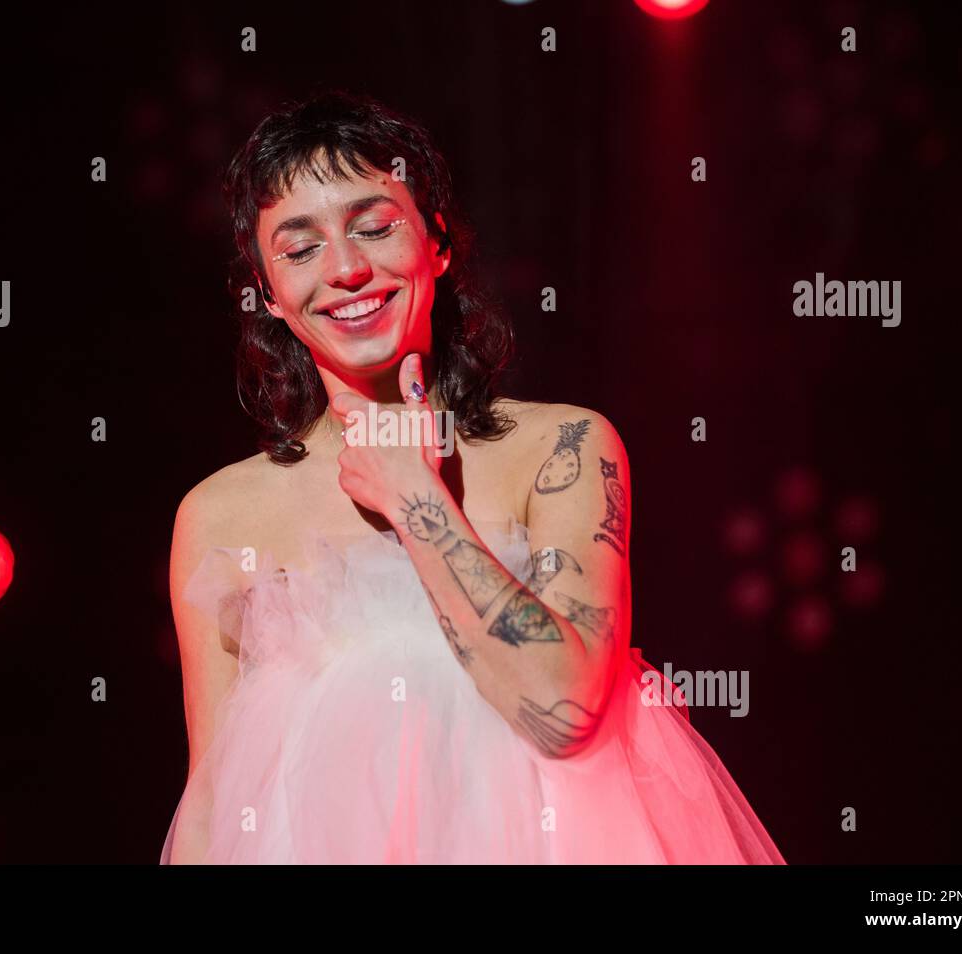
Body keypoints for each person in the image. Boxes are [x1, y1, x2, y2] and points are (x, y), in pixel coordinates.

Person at [160, 89, 785, 864]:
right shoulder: (224, 514)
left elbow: (565, 707)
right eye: (300, 248)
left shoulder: (561, 446)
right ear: (267, 294)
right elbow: (215, 807)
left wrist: (417, 498)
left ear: (439, 242)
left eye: (373, 227)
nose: (347, 269)